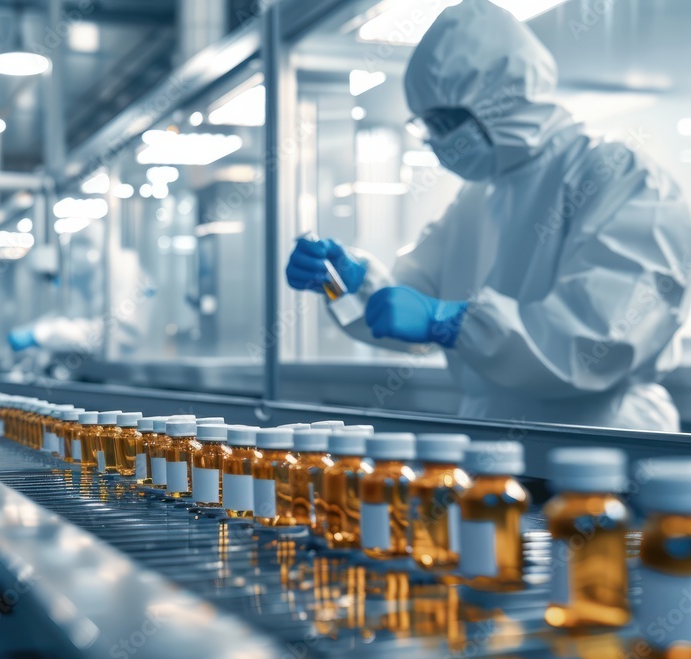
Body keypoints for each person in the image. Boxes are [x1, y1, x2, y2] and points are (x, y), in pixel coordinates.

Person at [286, 0, 691, 432]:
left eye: (446, 122)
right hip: (488, 432)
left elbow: (600, 338)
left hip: (603, 437)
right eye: (427, 125)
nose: (436, 141)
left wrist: (452, 323)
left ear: (502, 102)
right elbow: (413, 302)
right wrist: (351, 285)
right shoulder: (478, 197)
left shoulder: (618, 176)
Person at [9, 225, 153, 357]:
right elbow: (71, 314)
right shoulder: (89, 276)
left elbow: (116, 334)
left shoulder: (125, 271)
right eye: (75, 246)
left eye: (84, 244)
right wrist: (38, 328)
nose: (77, 255)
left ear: (99, 246)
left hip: (130, 367)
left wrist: (41, 334)